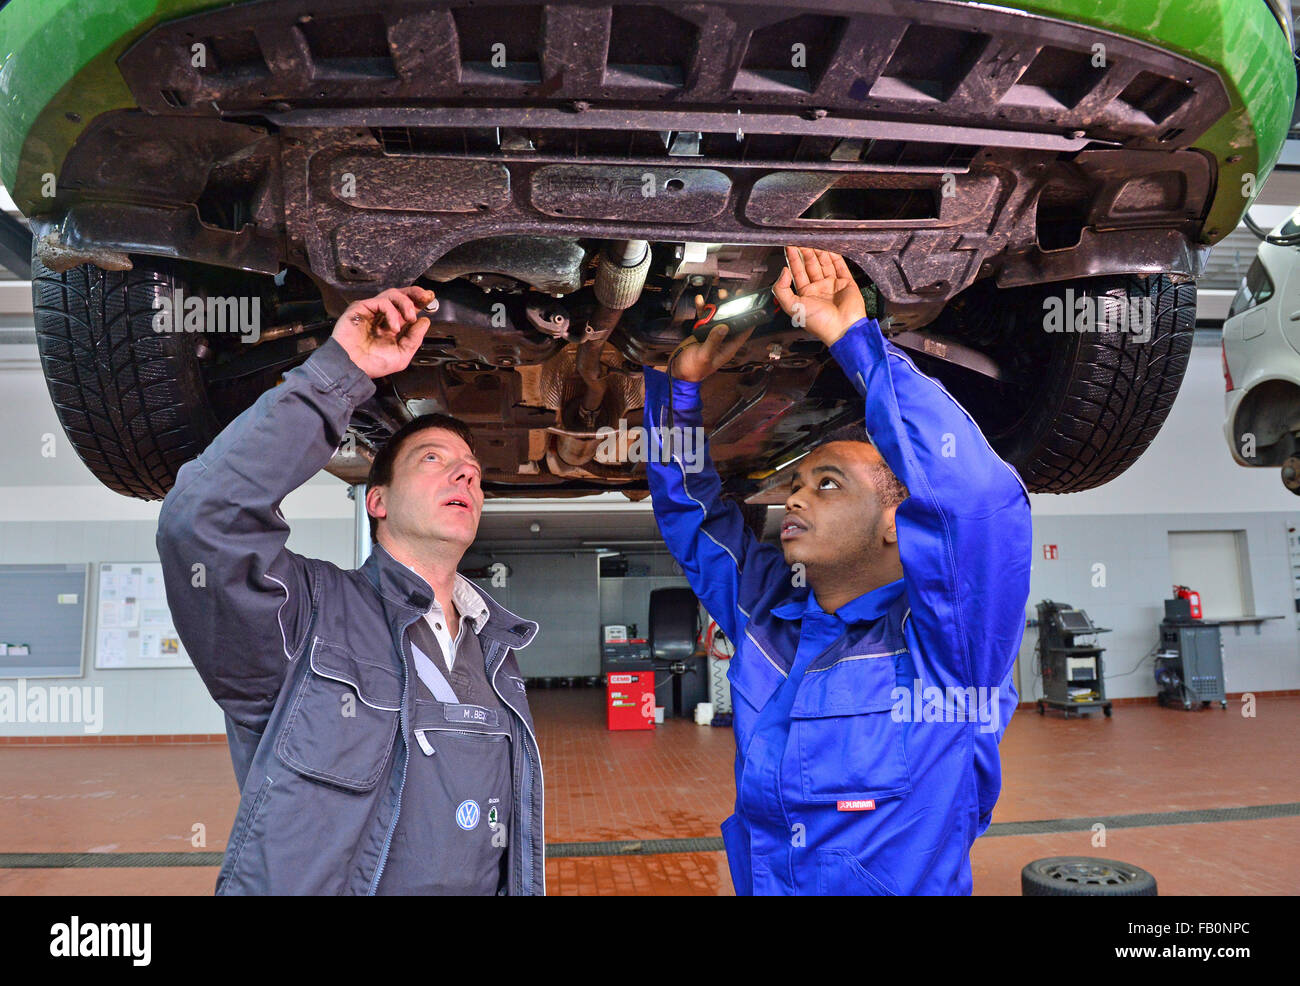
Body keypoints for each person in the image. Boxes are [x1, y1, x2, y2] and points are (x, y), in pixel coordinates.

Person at [643, 246, 1032, 895]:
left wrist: (855, 342)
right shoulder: (771, 620)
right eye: (795, 483)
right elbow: (693, 518)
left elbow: (976, 498)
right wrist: (681, 388)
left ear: (894, 521)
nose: (793, 497)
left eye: (828, 484)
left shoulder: (946, 649)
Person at [156, 286, 544, 895]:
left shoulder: (496, 646)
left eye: (470, 467)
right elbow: (205, 521)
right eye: (433, 458)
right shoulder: (309, 612)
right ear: (377, 501)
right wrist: (341, 374)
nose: (466, 471)